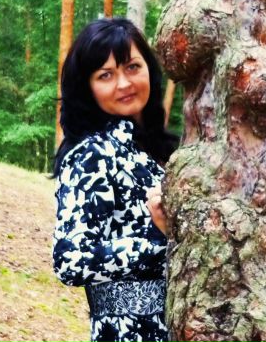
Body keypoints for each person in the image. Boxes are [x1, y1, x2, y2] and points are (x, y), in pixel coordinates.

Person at [52, 18, 179, 342]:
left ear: (149, 69)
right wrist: (157, 239)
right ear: (87, 87)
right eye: (105, 75)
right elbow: (70, 260)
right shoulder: (91, 155)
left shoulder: (166, 150)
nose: (124, 83)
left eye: (132, 67)